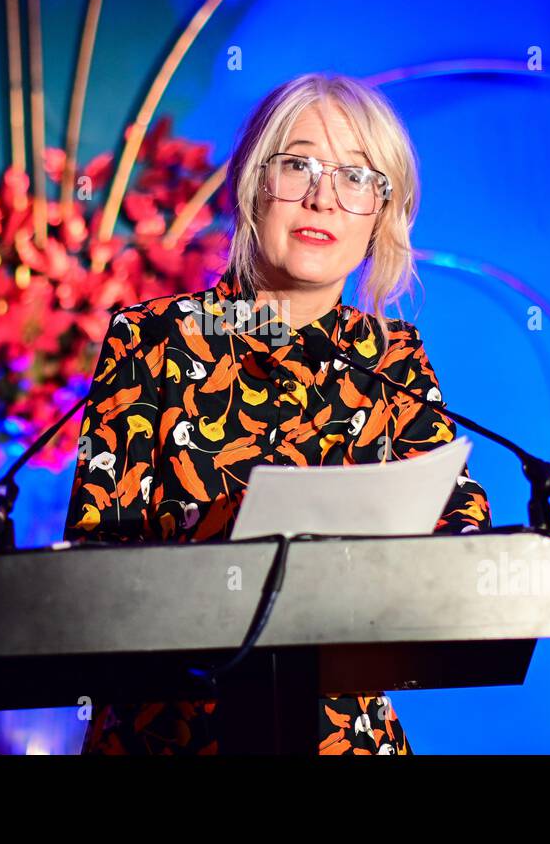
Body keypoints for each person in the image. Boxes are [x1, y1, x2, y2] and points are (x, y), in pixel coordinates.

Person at [62, 72, 492, 754]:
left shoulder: (392, 358)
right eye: (298, 166)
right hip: (169, 737)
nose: (323, 197)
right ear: (251, 185)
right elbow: (88, 575)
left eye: (356, 177)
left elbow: (462, 535)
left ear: (383, 213)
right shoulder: (151, 340)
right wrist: (212, 541)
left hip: (339, 739)